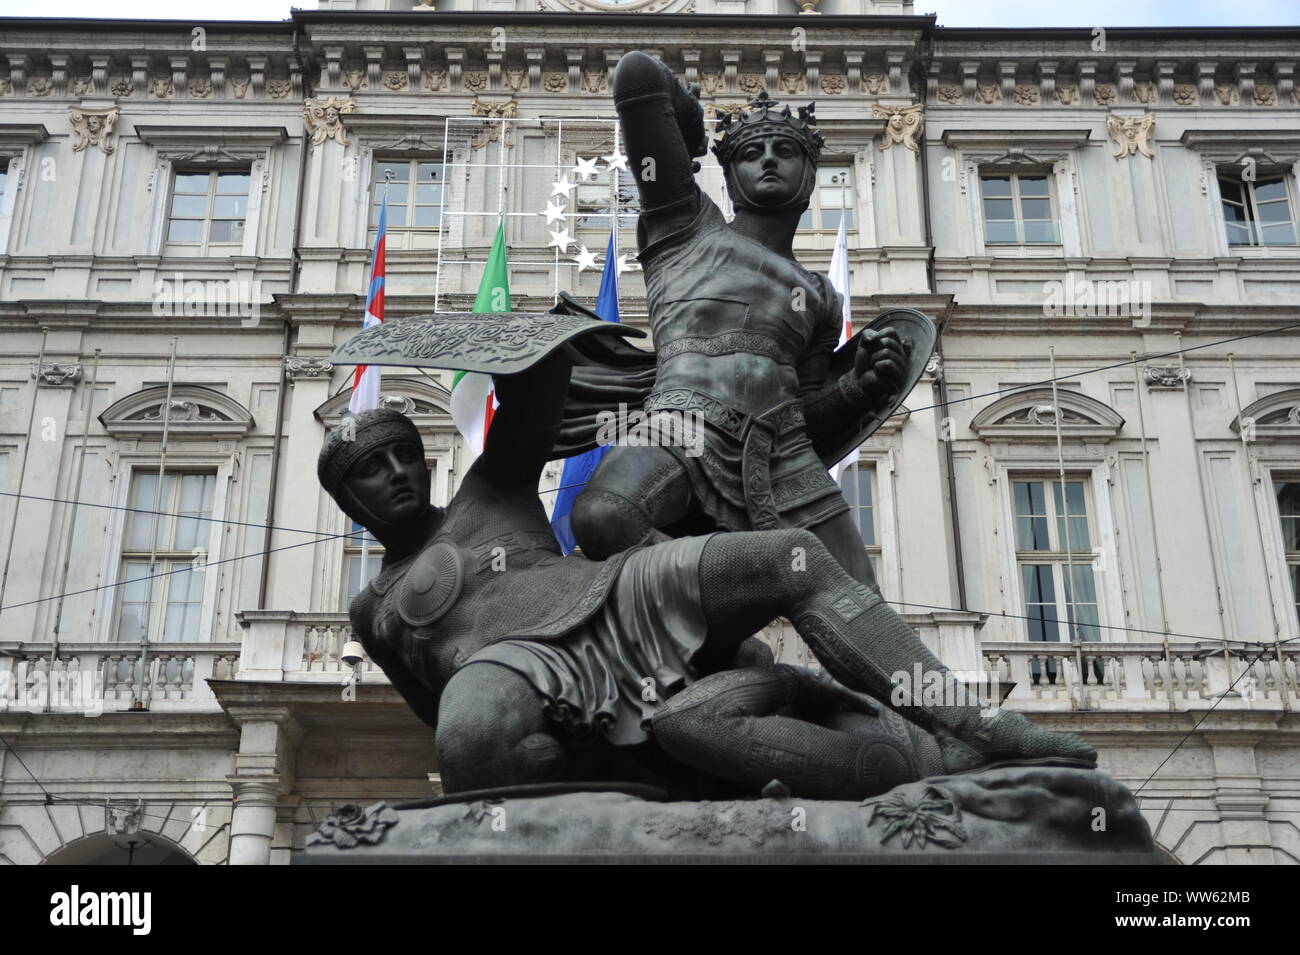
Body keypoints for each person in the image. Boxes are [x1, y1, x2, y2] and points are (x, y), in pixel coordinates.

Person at [317, 345, 1096, 798]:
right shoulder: (372, 610)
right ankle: (886, 751)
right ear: (347, 499)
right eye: (369, 471)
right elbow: (434, 712)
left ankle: (977, 727)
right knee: (516, 735)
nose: (394, 475)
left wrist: (509, 341)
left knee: (790, 558)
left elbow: (539, 390)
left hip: (618, 593)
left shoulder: (487, 490)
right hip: (520, 679)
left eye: (402, 455)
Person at [571, 51, 909, 590]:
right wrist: (687, 124)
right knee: (603, 516)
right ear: (727, 174)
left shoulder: (821, 295)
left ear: (810, 174)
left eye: (784, 151)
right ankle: (737, 590)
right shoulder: (685, 225)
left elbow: (809, 412)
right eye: (752, 153)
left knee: (858, 600)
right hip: (678, 425)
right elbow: (636, 74)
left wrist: (861, 390)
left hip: (782, 453)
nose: (768, 161)